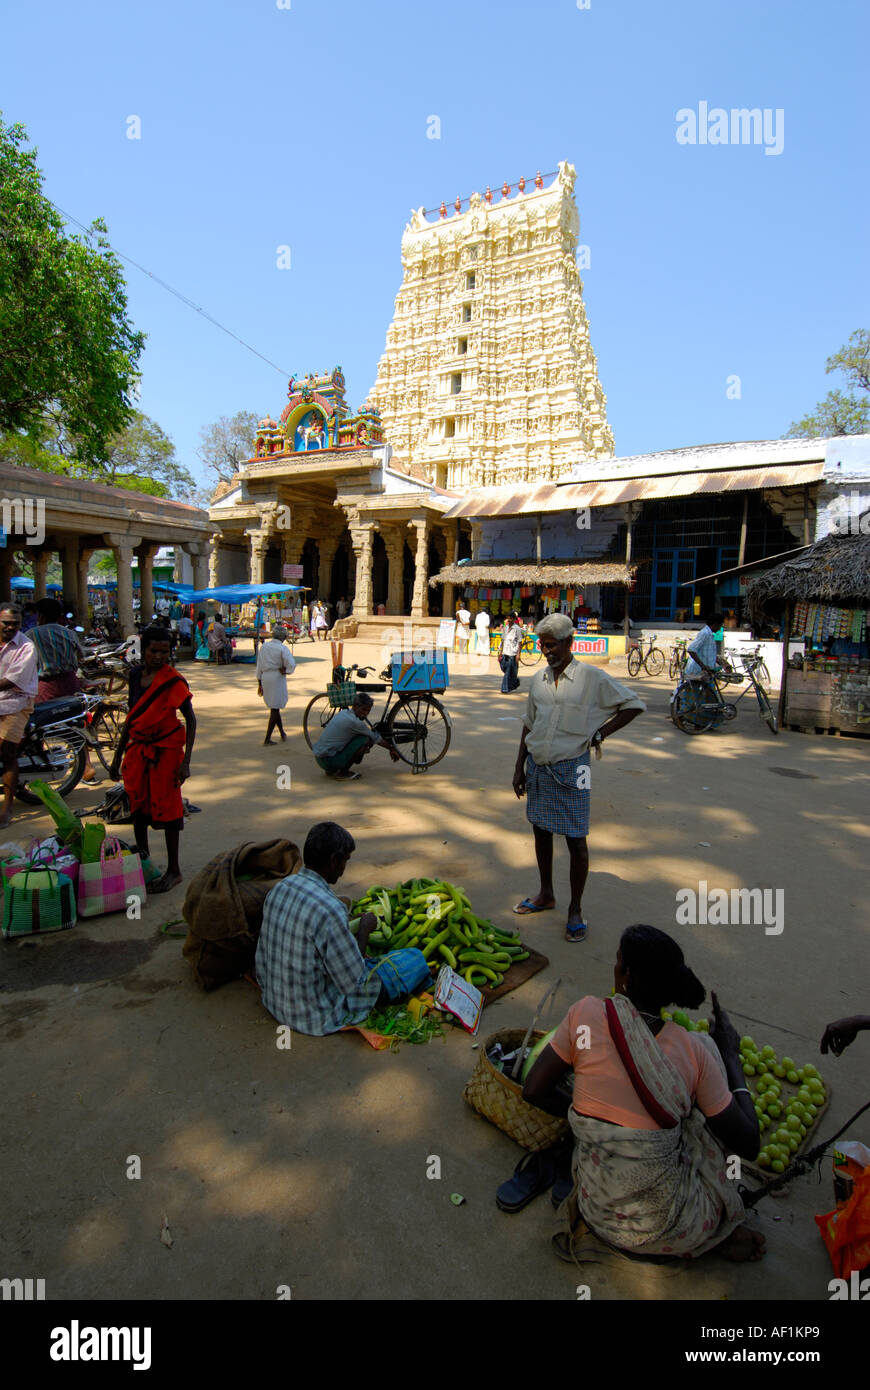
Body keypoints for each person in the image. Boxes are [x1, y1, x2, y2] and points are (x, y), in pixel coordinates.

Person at [518, 925, 764, 1264]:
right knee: (701, 1101)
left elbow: (532, 1089)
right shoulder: (693, 1051)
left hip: (598, 1211)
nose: (615, 968)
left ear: (627, 975)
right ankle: (709, 1237)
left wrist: (594, 1123)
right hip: (675, 1225)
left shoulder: (586, 1014)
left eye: (618, 962)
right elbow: (749, 1143)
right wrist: (730, 1056)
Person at [512, 613, 644, 941]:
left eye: (552, 645)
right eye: (542, 645)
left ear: (570, 643)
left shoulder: (592, 678)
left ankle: (575, 909)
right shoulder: (539, 679)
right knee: (540, 831)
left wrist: (600, 734)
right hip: (539, 767)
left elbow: (633, 704)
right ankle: (546, 894)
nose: (546, 651)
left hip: (575, 768)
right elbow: (529, 723)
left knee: (576, 839)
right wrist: (519, 766)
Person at [255, 822, 386, 1036]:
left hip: (273, 1000)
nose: (344, 870)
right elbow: (353, 980)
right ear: (334, 860)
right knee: (410, 962)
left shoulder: (281, 887)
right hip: (312, 1016)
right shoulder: (330, 910)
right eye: (345, 861)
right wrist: (364, 930)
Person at [109, 624, 196, 894]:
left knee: (169, 809)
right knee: (138, 807)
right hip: (139, 750)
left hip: (167, 753)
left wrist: (186, 762)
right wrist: (116, 757)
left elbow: (191, 720)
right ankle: (143, 860)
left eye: (164, 651)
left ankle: (174, 870)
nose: (158, 656)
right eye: (153, 651)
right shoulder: (135, 676)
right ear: (143, 650)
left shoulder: (173, 680)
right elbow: (131, 718)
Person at [27, 596, 96, 782]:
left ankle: (39, 762)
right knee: (76, 722)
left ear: (40, 615)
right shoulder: (69, 633)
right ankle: (87, 765)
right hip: (70, 682)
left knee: (38, 727)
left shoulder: (31, 634)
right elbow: (81, 655)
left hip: (45, 686)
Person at [0, 603, 38, 826]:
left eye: (15, 624)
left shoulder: (26, 646)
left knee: (6, 751)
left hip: (16, 702)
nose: (10, 627)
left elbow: (13, 681)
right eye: (6, 623)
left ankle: (7, 808)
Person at [311, 691, 400, 780]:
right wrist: (391, 748)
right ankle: (343, 772)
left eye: (368, 711)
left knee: (357, 738)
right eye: (363, 710)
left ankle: (331, 769)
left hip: (320, 758)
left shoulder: (344, 713)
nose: (365, 713)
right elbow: (375, 738)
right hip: (328, 761)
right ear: (355, 706)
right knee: (365, 740)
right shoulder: (354, 722)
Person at [256, 624, 296, 744]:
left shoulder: (264, 647)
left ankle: (282, 732)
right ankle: (267, 738)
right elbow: (291, 664)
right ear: (283, 637)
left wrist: (259, 683)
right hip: (276, 678)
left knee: (275, 707)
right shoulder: (282, 649)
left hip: (265, 677)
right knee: (275, 708)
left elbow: (259, 666)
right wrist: (286, 671)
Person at [684, 611, 723, 684]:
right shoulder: (705, 634)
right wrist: (702, 666)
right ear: (715, 624)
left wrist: (723, 664)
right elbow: (691, 649)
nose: (720, 628)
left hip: (707, 674)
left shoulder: (710, 635)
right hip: (697, 673)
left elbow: (711, 654)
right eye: (720, 626)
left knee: (710, 694)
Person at [498, 613, 522, 694]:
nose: (509, 620)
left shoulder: (517, 629)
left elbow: (519, 642)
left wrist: (518, 654)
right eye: (508, 618)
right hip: (505, 652)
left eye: (511, 618)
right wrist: (500, 652)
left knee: (508, 671)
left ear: (514, 619)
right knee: (507, 669)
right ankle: (514, 683)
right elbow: (503, 640)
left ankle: (504, 688)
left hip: (512, 653)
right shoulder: (505, 628)